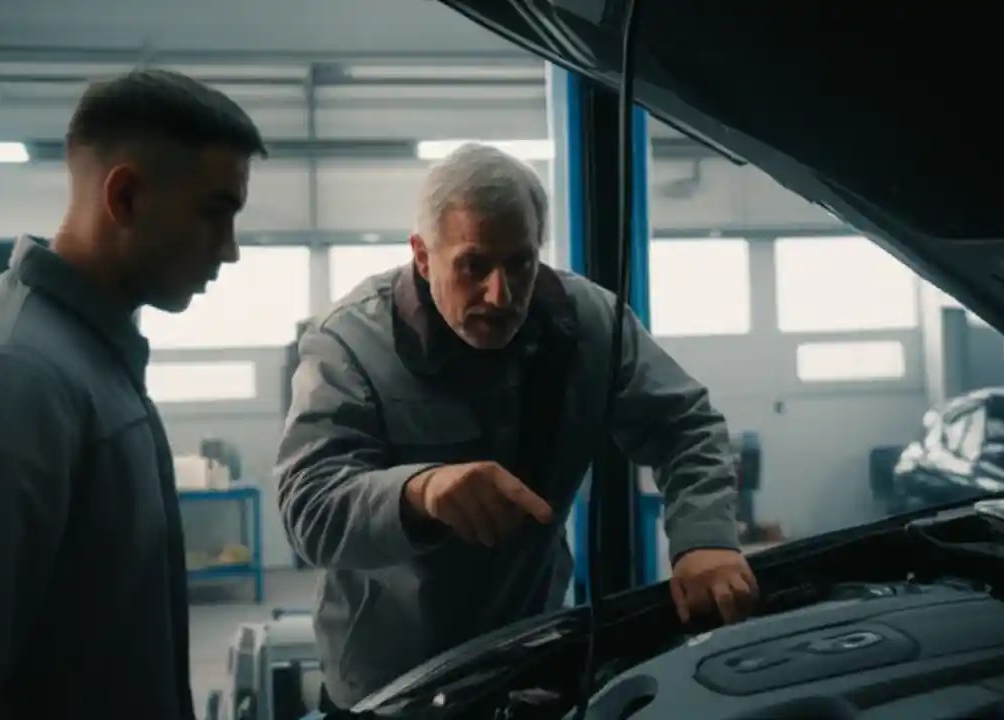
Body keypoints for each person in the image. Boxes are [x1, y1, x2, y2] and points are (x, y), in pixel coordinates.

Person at [0, 69, 266, 719]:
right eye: (215, 213)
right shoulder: (11, 379)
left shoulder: (81, 356)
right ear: (126, 197)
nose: (229, 251)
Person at [276, 143, 758, 710]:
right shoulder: (351, 345)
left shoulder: (589, 325)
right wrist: (419, 493)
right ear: (423, 257)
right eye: (474, 266)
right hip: (390, 690)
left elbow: (686, 425)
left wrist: (704, 540)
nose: (500, 295)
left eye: (520, 263)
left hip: (530, 666)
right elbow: (307, 506)